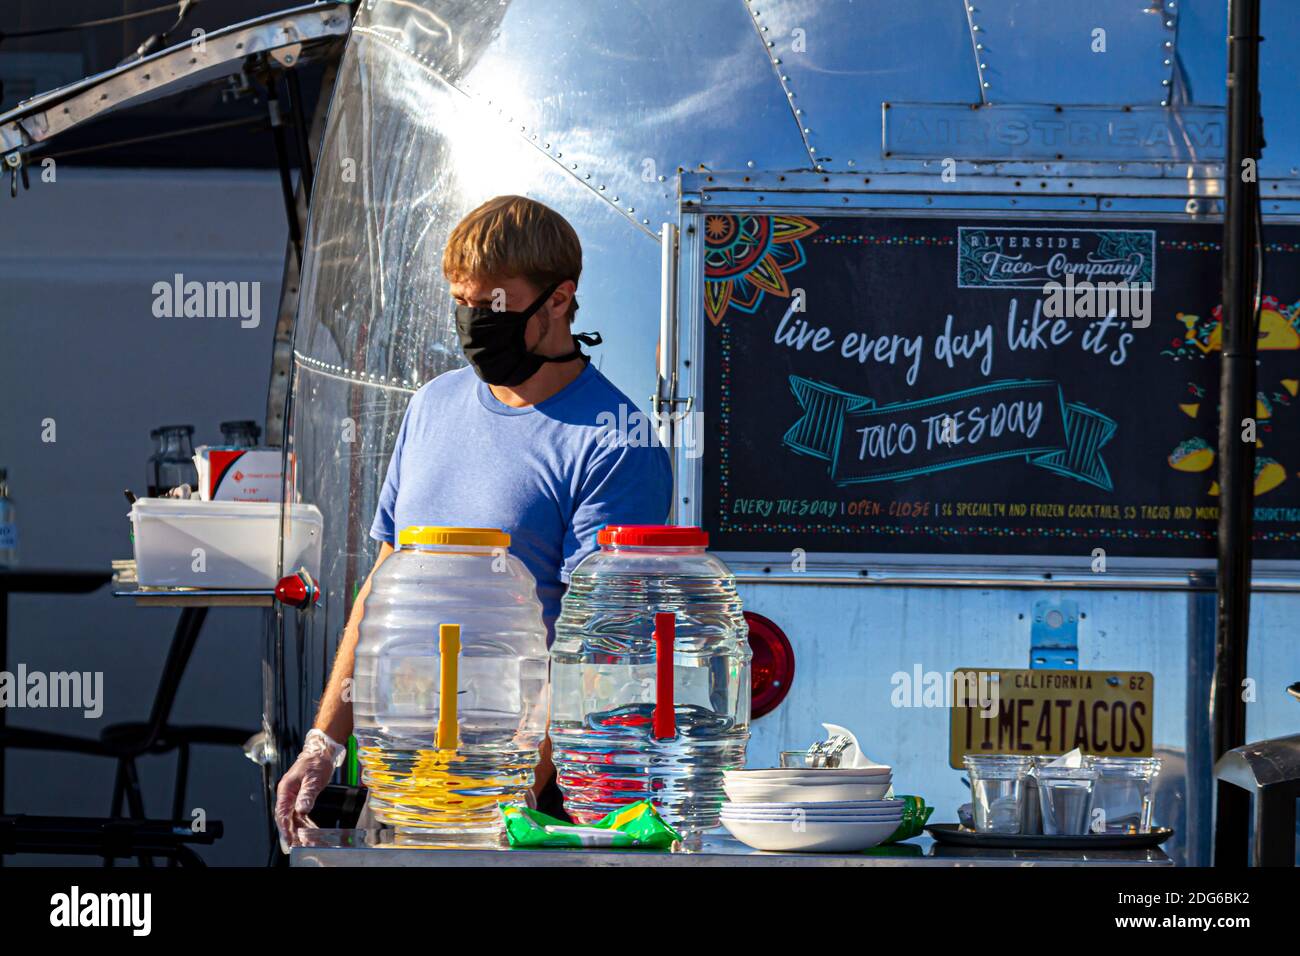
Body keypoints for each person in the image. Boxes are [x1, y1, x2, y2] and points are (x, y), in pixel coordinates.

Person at [274, 196, 673, 849]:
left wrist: (502, 807)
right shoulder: (432, 406)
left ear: (558, 300)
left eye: (492, 304)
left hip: (520, 805)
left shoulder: (615, 442)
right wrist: (324, 742)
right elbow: (380, 594)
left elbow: (594, 649)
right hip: (406, 786)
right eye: (461, 301)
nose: (471, 321)